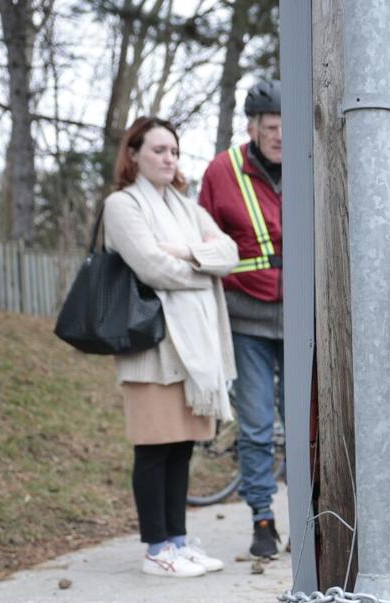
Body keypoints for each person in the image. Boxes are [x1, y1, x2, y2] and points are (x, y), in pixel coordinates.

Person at [103, 117, 239, 577]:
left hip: (193, 350)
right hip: (152, 346)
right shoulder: (122, 206)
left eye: (174, 151)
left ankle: (177, 541)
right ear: (134, 154)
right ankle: (156, 549)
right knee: (153, 449)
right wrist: (203, 266)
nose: (169, 159)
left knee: (182, 448)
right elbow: (150, 267)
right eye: (159, 150)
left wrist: (184, 252)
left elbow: (230, 254)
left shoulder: (185, 207)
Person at [199, 80, 285, 560]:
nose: (280, 136)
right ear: (252, 127)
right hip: (246, 318)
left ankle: (314, 518)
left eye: (287, 127)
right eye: (271, 127)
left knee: (307, 425)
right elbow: (203, 237)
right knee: (255, 425)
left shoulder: (309, 162)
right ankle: (262, 519)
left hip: (301, 320)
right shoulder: (222, 172)